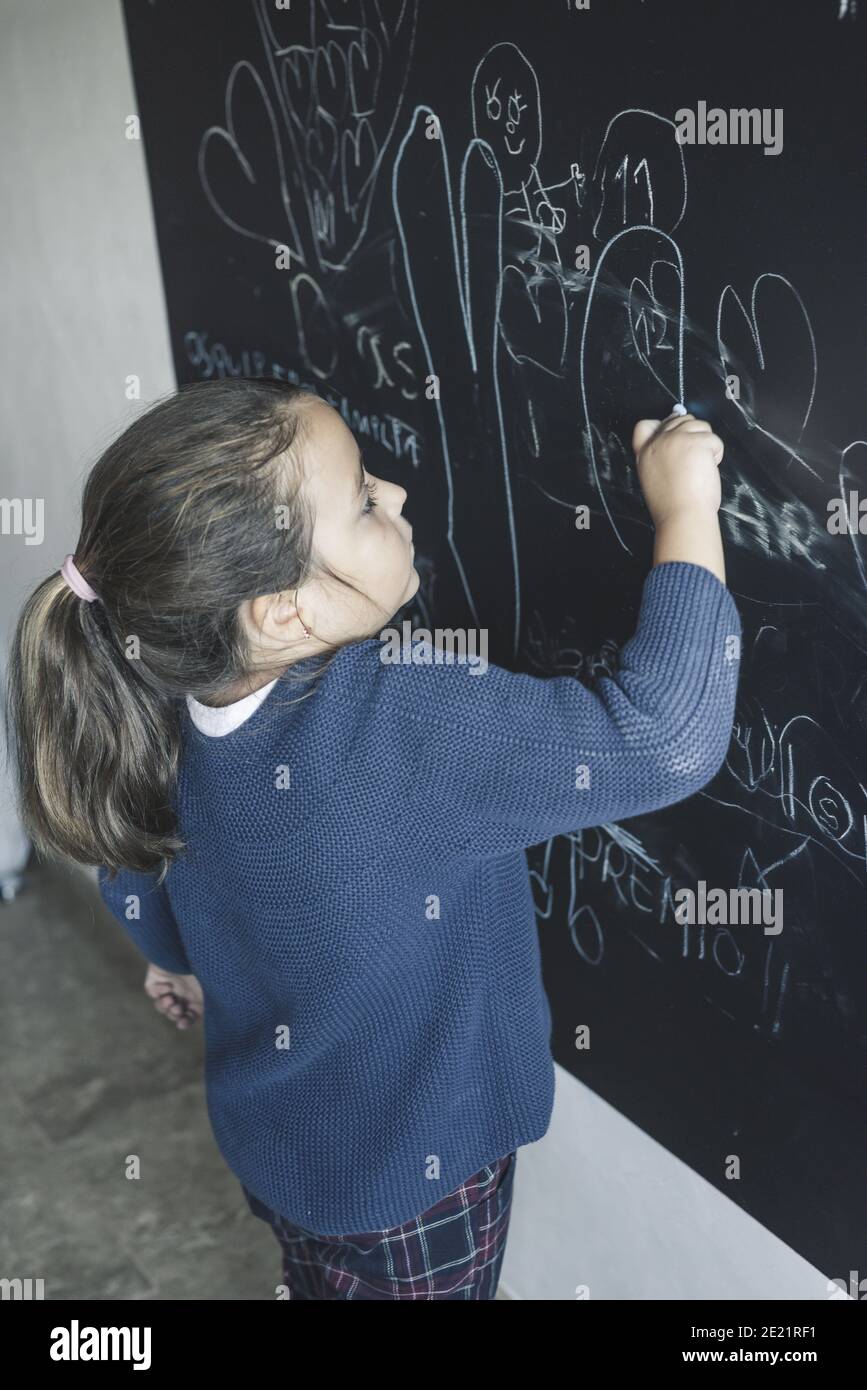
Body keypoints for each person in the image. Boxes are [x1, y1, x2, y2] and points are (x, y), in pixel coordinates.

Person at [5, 377, 739, 1299]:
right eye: (359, 500)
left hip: (282, 1150)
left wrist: (167, 959)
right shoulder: (404, 725)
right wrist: (685, 510)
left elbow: (131, 868)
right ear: (281, 610)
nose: (392, 494)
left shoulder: (148, 708)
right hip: (412, 1189)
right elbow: (665, 739)